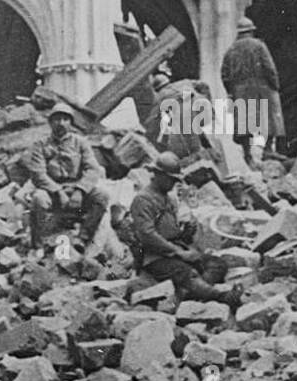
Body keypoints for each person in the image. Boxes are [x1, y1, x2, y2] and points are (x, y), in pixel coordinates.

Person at [129, 152, 241, 306]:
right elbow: (147, 235)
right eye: (170, 179)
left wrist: (185, 233)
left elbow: (171, 231)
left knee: (217, 264)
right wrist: (180, 253)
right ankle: (221, 296)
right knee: (186, 273)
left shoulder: (168, 198)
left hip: (175, 249)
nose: (172, 184)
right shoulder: (143, 199)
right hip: (155, 257)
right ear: (157, 174)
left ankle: (193, 293)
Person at [27, 104, 110, 248]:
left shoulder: (81, 143)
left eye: (65, 119)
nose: (61, 123)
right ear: (50, 122)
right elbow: (38, 173)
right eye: (57, 119)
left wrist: (80, 190)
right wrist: (58, 191)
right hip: (51, 190)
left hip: (76, 189)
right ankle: (40, 245)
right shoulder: (40, 145)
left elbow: (92, 169)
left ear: (71, 123)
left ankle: (83, 238)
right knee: (38, 199)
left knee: (102, 195)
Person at [220, 16, 285, 165]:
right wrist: (275, 85)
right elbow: (269, 67)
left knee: (244, 122)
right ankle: (268, 150)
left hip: (240, 91)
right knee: (269, 118)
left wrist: (231, 91)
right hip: (261, 87)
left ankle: (247, 154)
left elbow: (224, 74)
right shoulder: (259, 45)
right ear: (251, 31)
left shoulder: (231, 50)